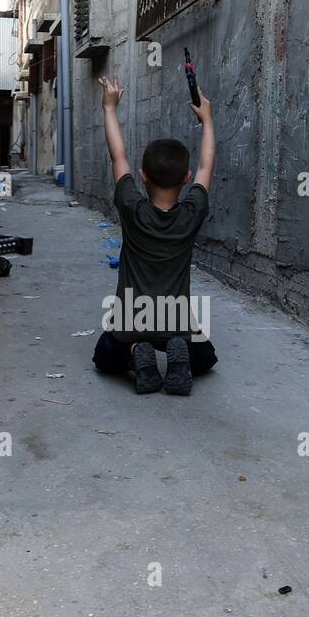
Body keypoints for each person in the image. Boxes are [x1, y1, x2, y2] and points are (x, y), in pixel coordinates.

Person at [91, 75, 217, 395]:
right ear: (186, 179)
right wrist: (207, 120)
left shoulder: (133, 209)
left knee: (104, 356)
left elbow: (117, 156)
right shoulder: (192, 213)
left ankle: (136, 352)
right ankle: (179, 351)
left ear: (143, 177)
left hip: (131, 323)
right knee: (206, 357)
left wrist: (110, 107)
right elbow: (207, 165)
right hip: (176, 323)